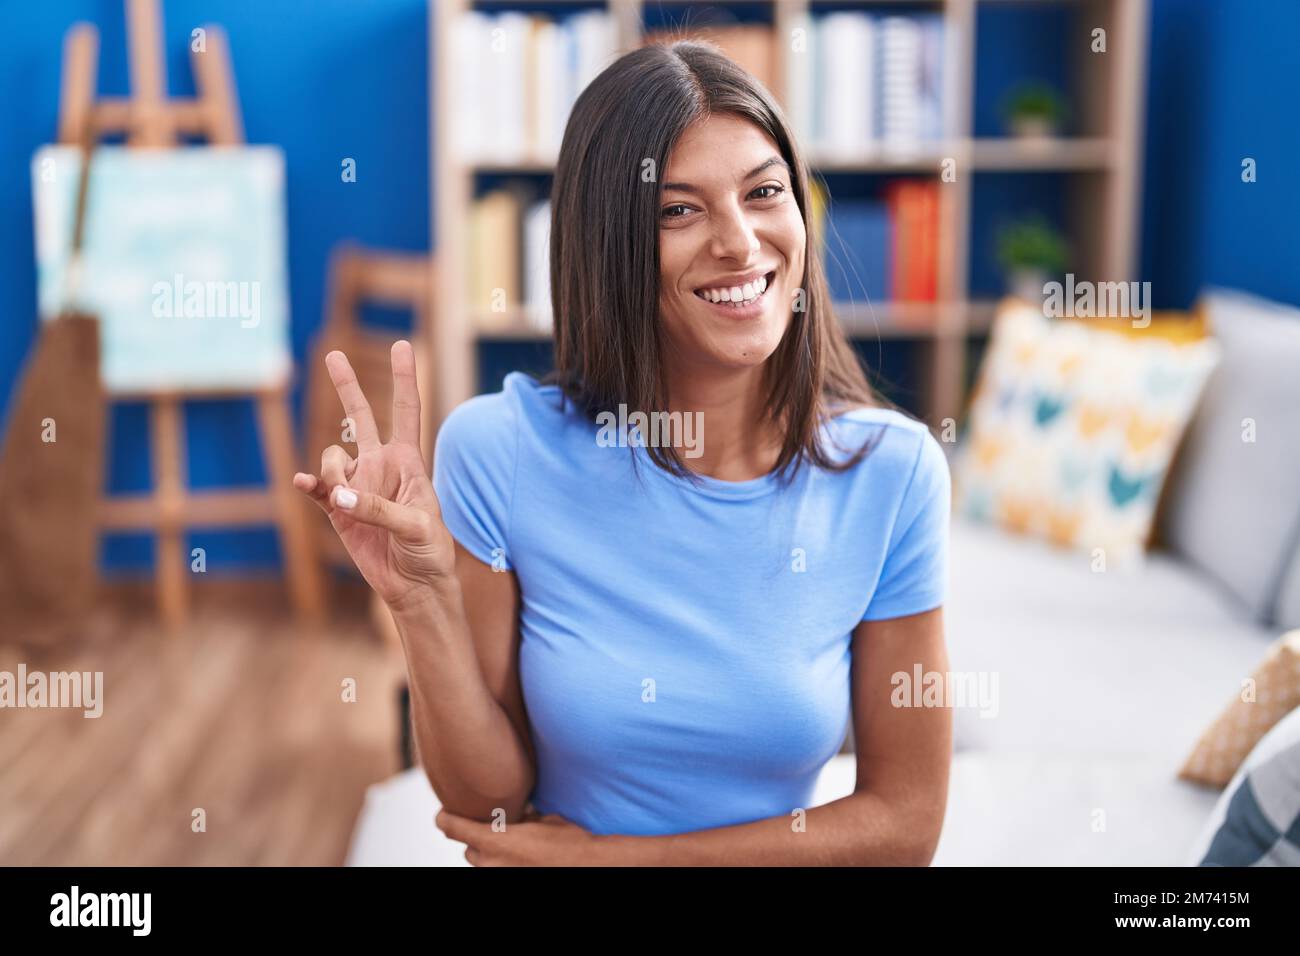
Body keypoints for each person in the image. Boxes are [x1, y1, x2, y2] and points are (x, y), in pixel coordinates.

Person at [295, 41, 952, 865]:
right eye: (680, 210)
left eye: (764, 193)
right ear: (609, 246)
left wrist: (612, 865)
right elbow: (485, 800)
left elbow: (905, 825)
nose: (742, 244)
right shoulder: (501, 450)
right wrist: (420, 601)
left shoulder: (893, 476)